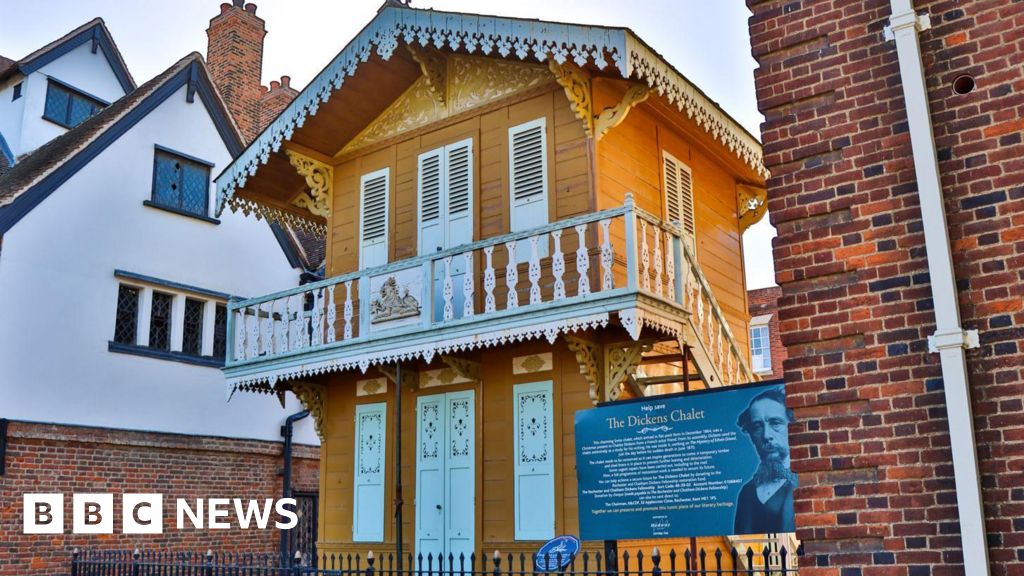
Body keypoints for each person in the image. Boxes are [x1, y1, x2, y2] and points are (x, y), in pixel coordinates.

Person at [733, 387, 797, 534]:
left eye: (775, 423)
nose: (766, 435)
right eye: (757, 426)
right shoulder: (747, 492)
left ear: (791, 426)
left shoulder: (805, 479)